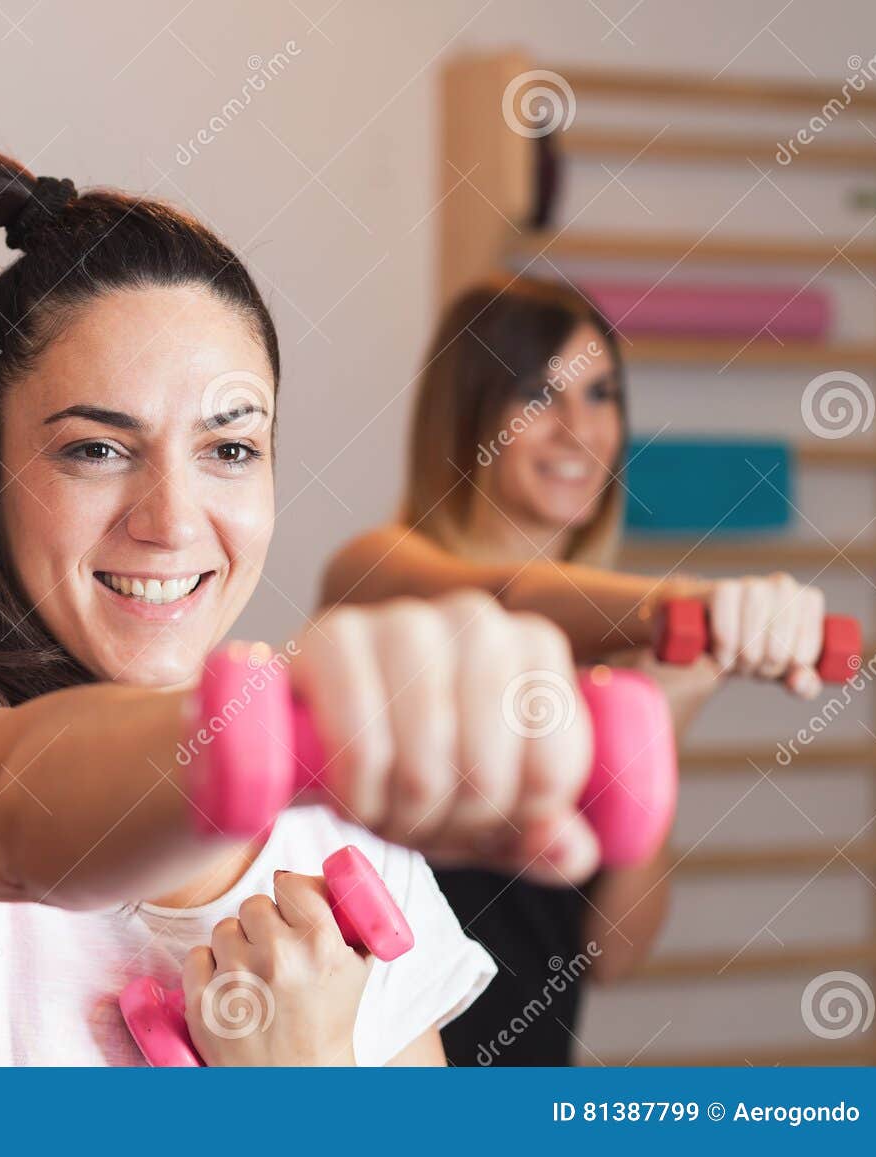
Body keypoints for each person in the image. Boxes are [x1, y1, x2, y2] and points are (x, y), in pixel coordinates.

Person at [0, 150, 623, 1067]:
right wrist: (298, 732)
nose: (171, 521)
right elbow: (2, 814)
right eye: (95, 449)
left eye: (230, 449)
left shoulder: (335, 827)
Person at [320, 275, 831, 1065]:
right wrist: (688, 600)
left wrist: (659, 719)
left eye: (601, 394)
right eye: (538, 395)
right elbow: (504, 593)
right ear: (468, 416)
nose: (579, 429)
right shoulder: (378, 572)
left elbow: (612, 953)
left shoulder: (619, 657)